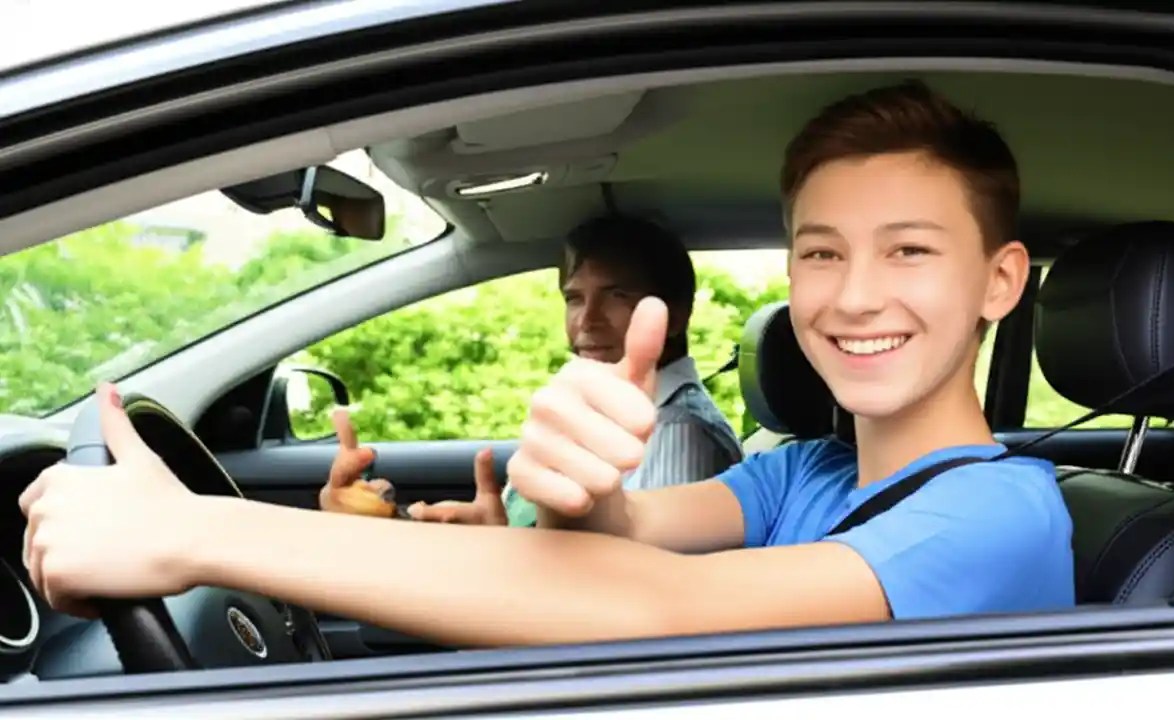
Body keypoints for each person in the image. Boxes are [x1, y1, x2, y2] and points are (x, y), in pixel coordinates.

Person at [19, 81, 1074, 644]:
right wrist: (558, 508)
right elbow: (632, 535)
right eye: (819, 253)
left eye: (909, 252)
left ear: (997, 281)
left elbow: (656, 603)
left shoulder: (1000, 514)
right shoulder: (802, 472)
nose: (851, 296)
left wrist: (192, 532)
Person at [318, 215, 745, 527]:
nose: (587, 321)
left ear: (677, 315)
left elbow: (637, 594)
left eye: (616, 295)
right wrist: (490, 533)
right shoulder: (596, 416)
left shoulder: (678, 433)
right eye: (574, 299)